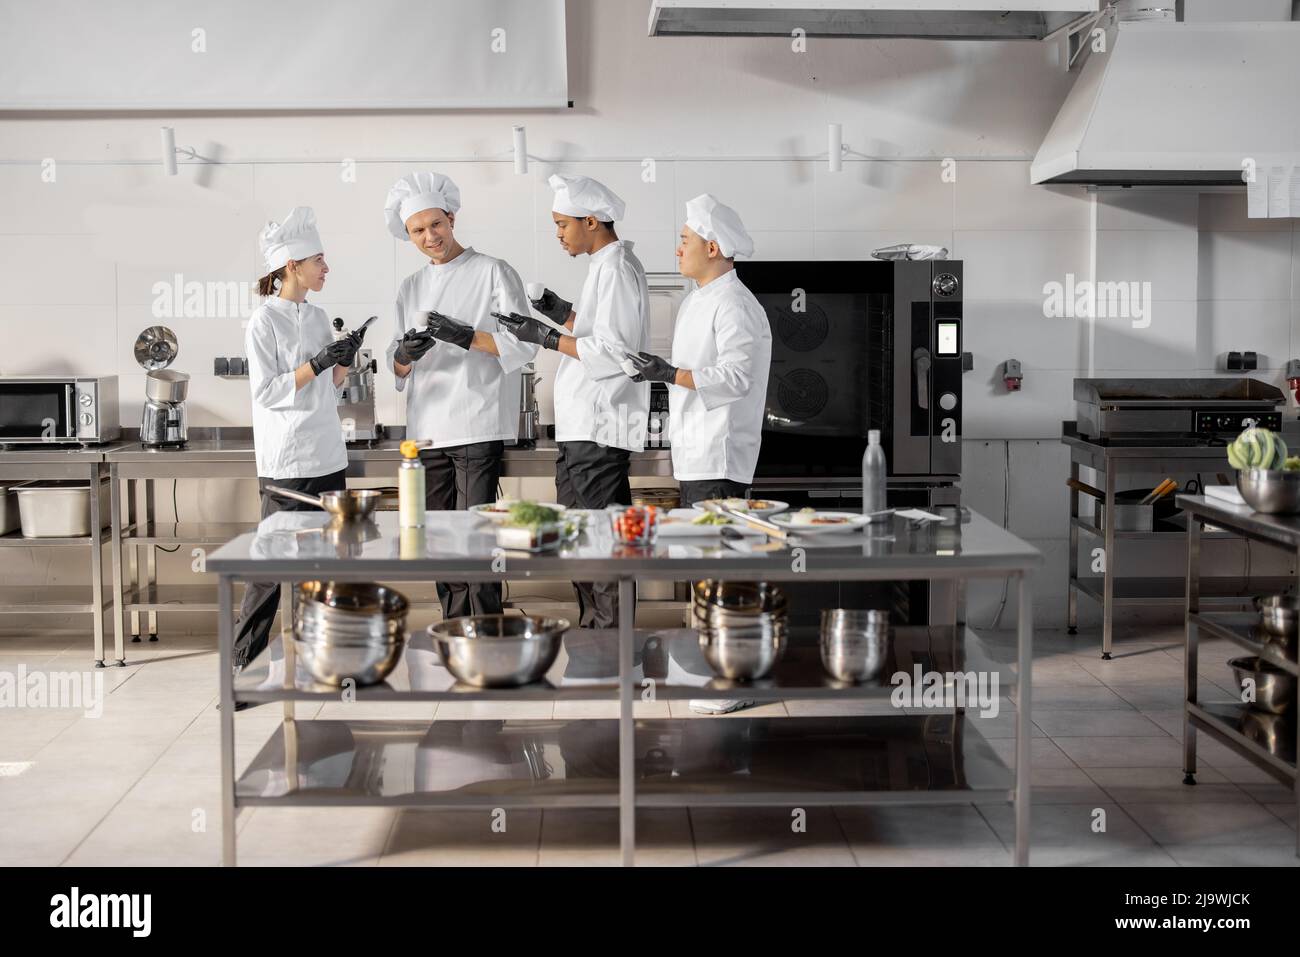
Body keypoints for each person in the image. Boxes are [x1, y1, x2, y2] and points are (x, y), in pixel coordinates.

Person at [626, 194, 772, 714]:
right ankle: (717, 673)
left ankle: (733, 682)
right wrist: (662, 370)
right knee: (705, 567)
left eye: (684, 241)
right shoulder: (700, 298)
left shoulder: (735, 304)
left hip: (720, 457)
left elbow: (734, 378)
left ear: (713, 246)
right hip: (697, 456)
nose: (678, 248)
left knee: (722, 570)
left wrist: (667, 373)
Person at [496, 173, 650, 629]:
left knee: (602, 543)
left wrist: (544, 337)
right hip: (582, 428)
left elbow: (616, 352)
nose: (559, 234)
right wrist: (559, 312)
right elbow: (598, 331)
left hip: (599, 429)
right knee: (582, 540)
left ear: (590, 221)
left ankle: (613, 644)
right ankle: (595, 634)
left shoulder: (618, 268)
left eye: (562, 224)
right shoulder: (604, 265)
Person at [383, 171, 536, 619]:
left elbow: (524, 344)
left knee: (477, 538)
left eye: (436, 224)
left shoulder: (492, 271)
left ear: (451, 218)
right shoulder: (409, 287)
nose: (430, 236)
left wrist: (466, 336)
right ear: (408, 235)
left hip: (475, 422)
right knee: (439, 540)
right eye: (417, 230)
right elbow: (397, 367)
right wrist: (404, 355)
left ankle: (487, 631)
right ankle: (455, 628)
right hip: (427, 430)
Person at [236, 207, 362, 694]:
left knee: (331, 567)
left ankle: (327, 668)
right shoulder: (262, 322)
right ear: (292, 266)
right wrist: (317, 363)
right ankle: (242, 672)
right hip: (286, 461)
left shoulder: (315, 317)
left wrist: (343, 361)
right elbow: (267, 391)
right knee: (270, 571)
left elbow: (325, 389)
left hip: (327, 456)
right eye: (318, 261)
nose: (325, 268)